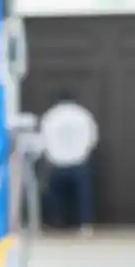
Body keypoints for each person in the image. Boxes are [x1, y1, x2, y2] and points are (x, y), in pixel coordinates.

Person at [39, 91, 98, 233]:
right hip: (79, 162)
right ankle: (84, 225)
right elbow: (93, 138)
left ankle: (54, 223)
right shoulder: (83, 115)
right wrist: (84, 152)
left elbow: (43, 139)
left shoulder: (51, 116)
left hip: (57, 163)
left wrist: (50, 155)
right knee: (82, 197)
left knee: (55, 197)